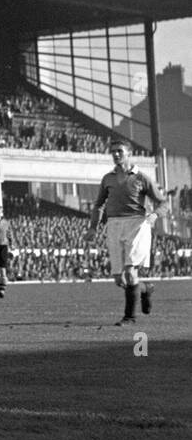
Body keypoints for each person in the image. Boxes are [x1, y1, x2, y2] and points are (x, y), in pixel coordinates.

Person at [88, 139, 166, 326]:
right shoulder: (108, 178)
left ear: (129, 154)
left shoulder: (141, 178)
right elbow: (99, 205)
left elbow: (162, 202)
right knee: (119, 279)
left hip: (136, 224)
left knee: (130, 271)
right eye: (113, 151)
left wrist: (155, 215)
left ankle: (129, 317)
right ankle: (145, 289)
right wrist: (93, 227)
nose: (116, 154)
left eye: (119, 151)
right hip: (114, 225)